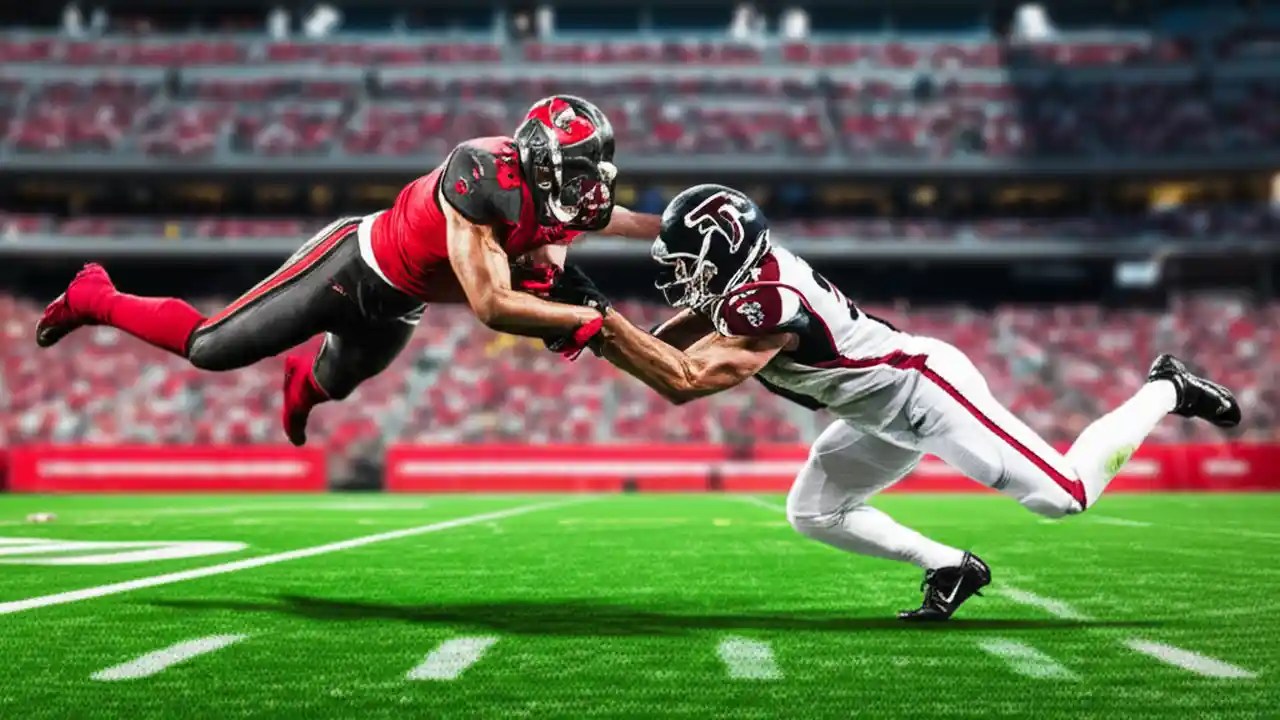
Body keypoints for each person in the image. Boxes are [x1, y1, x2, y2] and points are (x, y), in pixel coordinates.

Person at [556, 183, 1241, 621]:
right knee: (814, 512)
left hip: (923, 390)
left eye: (690, 265)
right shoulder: (746, 283)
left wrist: (600, 326)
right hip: (873, 413)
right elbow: (679, 335)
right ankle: (949, 567)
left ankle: (1167, 386)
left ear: (725, 255)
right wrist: (607, 329)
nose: (683, 280)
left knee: (1063, 496)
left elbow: (685, 380)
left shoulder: (770, 302)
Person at [35, 95, 661, 446]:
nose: (588, 190)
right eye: (578, 173)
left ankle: (299, 388)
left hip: (398, 304)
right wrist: (583, 317)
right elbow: (491, 305)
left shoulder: (563, 198)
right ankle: (95, 296)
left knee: (335, 381)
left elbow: (625, 222)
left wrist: (683, 227)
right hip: (349, 267)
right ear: (540, 163)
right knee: (210, 349)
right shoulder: (479, 175)